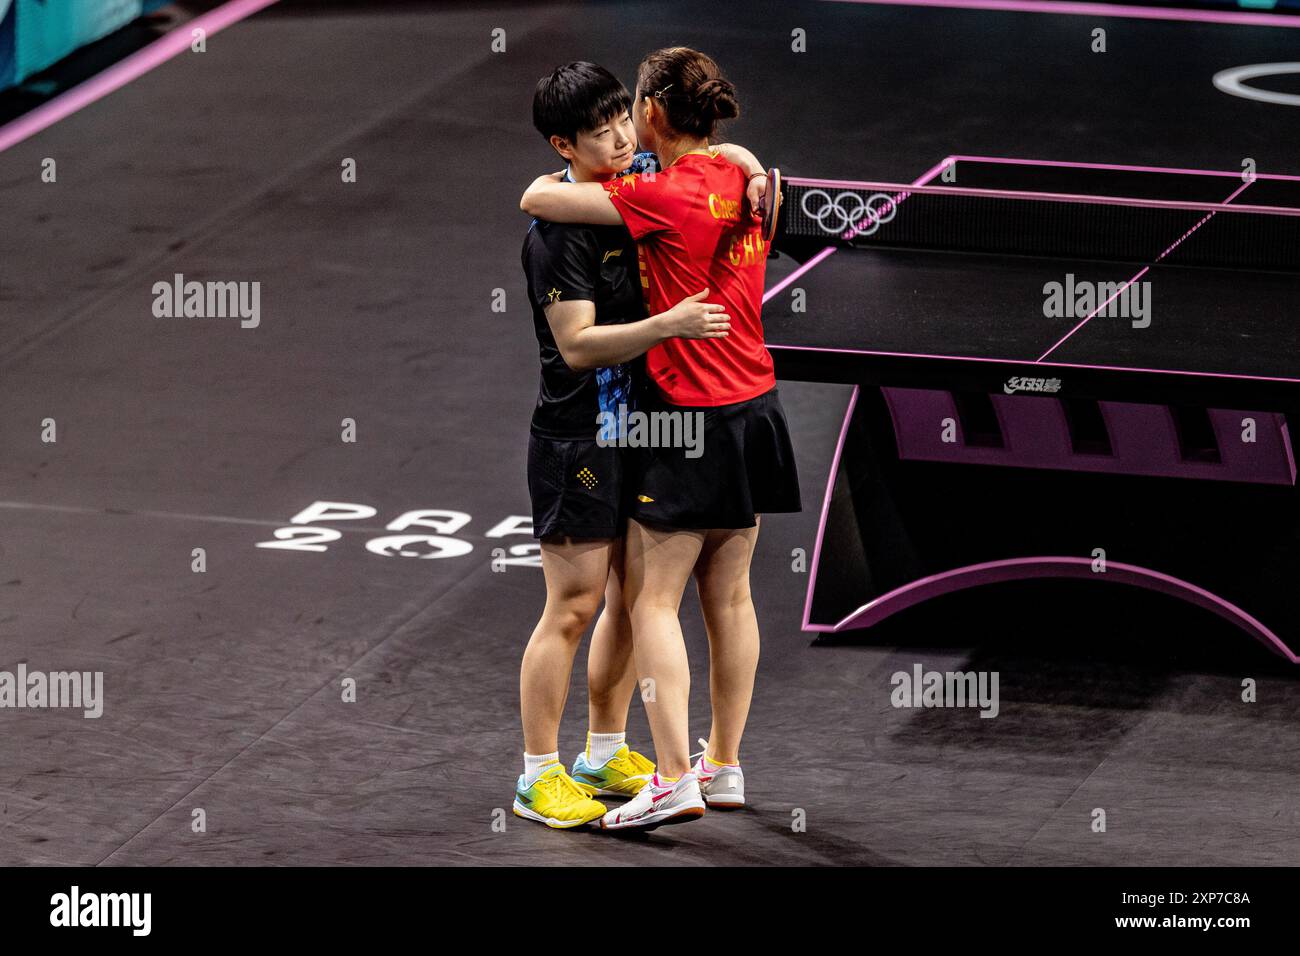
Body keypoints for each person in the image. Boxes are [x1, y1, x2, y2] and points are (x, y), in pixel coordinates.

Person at [520, 47, 802, 832]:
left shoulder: (649, 180)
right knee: (579, 605)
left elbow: (724, 153)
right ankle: (540, 771)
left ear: (645, 116)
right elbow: (575, 344)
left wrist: (745, 163)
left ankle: (613, 748)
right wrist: (671, 324)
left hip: (659, 421)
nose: (616, 139)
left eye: (621, 119)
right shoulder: (571, 225)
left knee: (632, 600)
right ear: (565, 145)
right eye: (597, 130)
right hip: (587, 431)